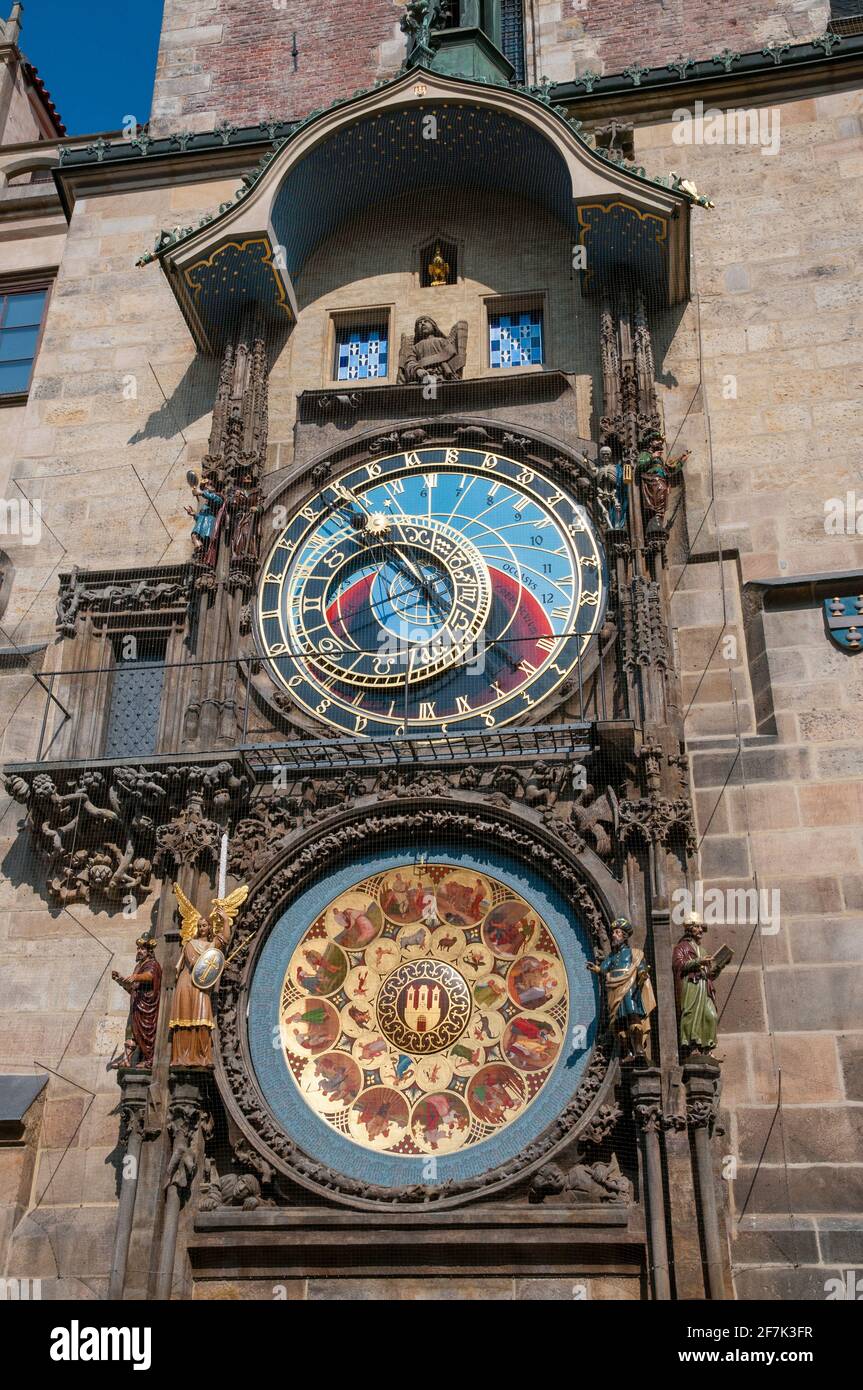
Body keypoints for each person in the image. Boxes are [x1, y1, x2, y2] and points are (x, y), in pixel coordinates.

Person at [587, 916, 656, 1061]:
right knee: (618, 1021)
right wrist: (597, 969)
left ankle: (638, 1048)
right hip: (615, 989)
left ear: (624, 936)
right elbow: (604, 968)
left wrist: (643, 974)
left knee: (633, 1014)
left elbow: (640, 966)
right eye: (613, 933)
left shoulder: (633, 953)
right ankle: (627, 1052)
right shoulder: (612, 956)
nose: (614, 935)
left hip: (629, 988)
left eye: (617, 933)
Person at [672, 912, 727, 1055]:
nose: (701, 930)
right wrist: (698, 961)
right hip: (692, 984)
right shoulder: (681, 947)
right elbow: (678, 964)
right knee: (691, 1014)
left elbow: (709, 974)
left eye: (701, 927)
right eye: (697, 927)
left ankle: (706, 1048)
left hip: (705, 986)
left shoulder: (702, 950)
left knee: (711, 1015)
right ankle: (693, 1047)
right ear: (690, 928)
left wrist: (720, 965)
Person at [109, 935, 162, 1070]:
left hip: (147, 1007)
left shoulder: (153, 964)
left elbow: (150, 976)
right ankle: (126, 1060)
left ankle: (149, 1060)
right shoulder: (139, 966)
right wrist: (120, 980)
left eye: (142, 949)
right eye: (138, 948)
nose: (139, 951)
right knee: (131, 1031)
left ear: (149, 951)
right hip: (136, 1005)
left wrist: (136, 977)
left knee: (146, 1034)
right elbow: (132, 989)